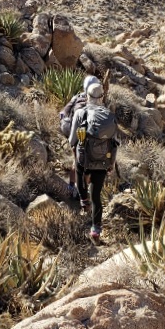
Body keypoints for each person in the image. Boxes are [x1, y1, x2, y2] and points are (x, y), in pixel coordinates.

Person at [69, 81, 112, 243]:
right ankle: (95, 230)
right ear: (102, 96)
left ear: (87, 95)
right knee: (97, 195)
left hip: (84, 159)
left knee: (80, 176)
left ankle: (83, 201)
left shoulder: (80, 113)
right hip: (102, 161)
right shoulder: (108, 114)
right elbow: (113, 143)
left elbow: (72, 140)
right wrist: (111, 163)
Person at [62, 74, 101, 198]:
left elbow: (63, 112)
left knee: (76, 161)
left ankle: (71, 187)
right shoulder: (96, 102)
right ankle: (83, 192)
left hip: (74, 133)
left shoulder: (77, 97)